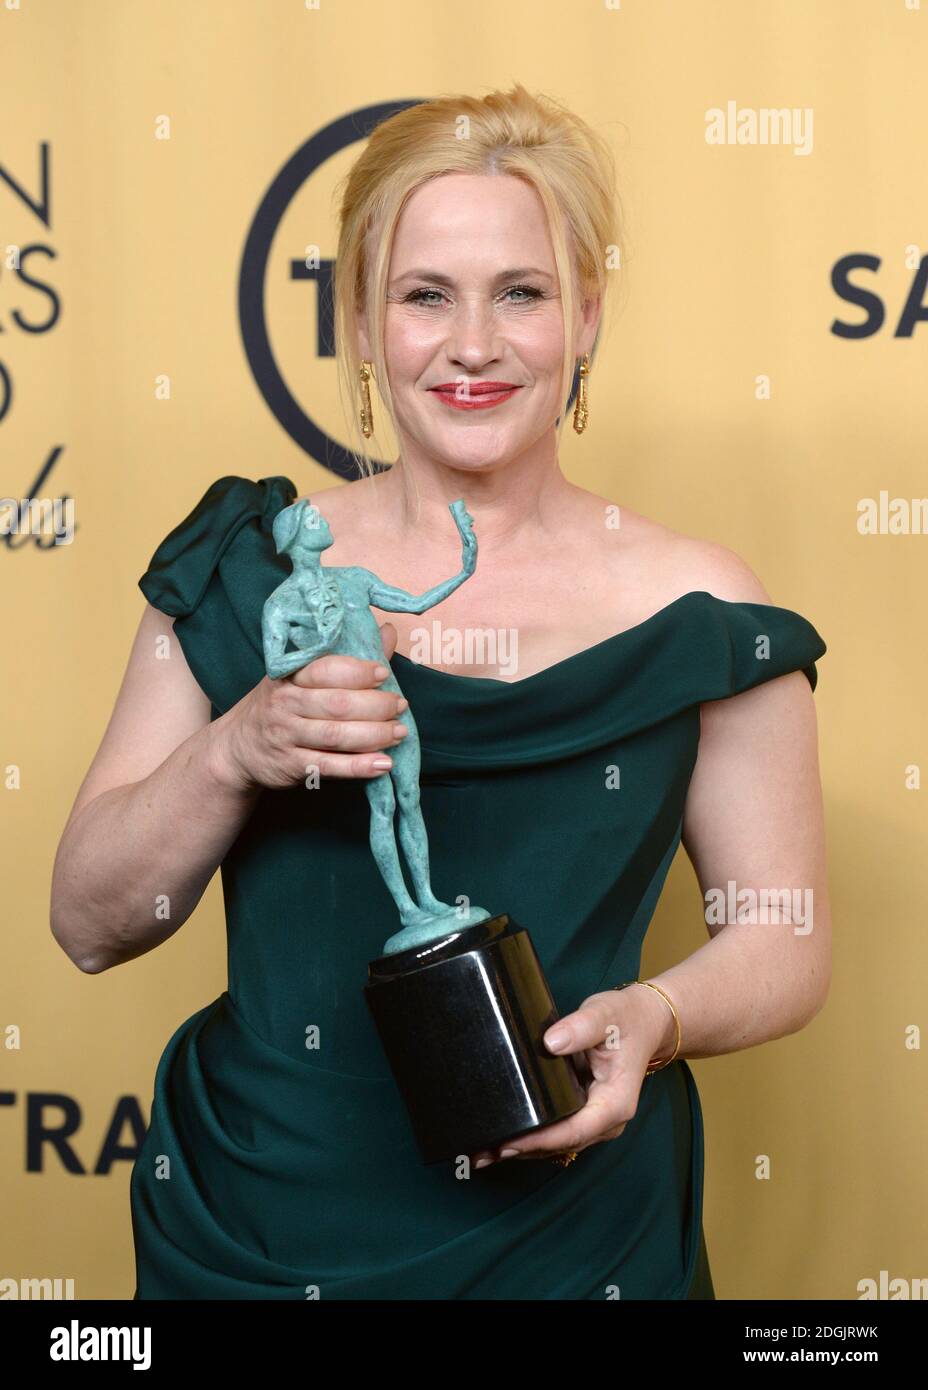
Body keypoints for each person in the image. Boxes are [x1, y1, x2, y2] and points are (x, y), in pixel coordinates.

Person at [50, 83, 830, 1300]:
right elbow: (94, 925)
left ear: (586, 318)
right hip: (258, 1230)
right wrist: (235, 751)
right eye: (425, 296)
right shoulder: (243, 568)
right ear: (360, 324)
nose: (474, 344)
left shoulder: (700, 608)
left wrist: (652, 1017)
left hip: (575, 1244)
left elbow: (783, 935)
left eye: (521, 293)